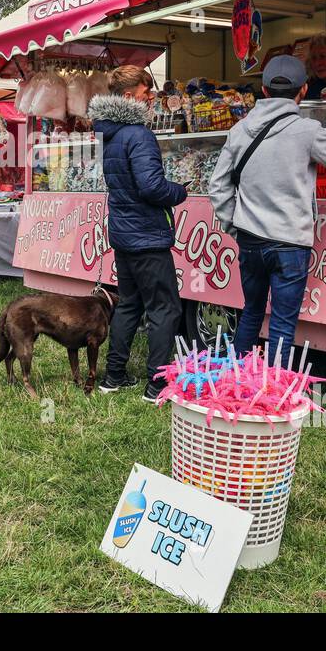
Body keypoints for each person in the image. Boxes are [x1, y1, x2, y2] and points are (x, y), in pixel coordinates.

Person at [209, 54, 326, 360]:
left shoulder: (239, 130)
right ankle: (272, 396)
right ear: (304, 90)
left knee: (251, 313)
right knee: (282, 324)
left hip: (250, 242)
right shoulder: (307, 130)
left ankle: (240, 384)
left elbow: (218, 186)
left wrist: (235, 226)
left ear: (264, 91)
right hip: (290, 245)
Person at [87, 66, 188, 402]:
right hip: (146, 235)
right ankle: (158, 384)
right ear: (129, 96)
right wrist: (178, 192)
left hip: (124, 233)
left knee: (129, 304)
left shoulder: (111, 134)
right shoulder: (139, 135)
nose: (151, 100)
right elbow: (151, 186)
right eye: (147, 93)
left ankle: (114, 376)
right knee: (165, 308)